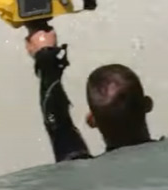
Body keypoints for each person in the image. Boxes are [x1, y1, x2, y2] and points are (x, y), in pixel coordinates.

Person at [28, 26, 157, 162]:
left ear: (91, 120)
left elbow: (58, 124)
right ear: (148, 104)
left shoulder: (79, 170)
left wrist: (45, 56)